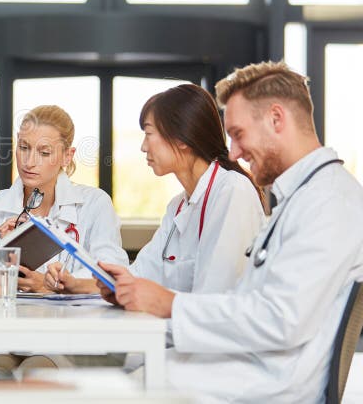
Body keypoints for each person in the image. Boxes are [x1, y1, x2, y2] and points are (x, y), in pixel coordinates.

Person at [100, 62, 363, 402]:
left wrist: (171, 305)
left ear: (276, 119)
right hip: (248, 368)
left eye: (238, 134)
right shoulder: (306, 197)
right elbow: (250, 303)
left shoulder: (331, 201)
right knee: (122, 375)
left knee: (114, 387)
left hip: (268, 385)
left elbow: (279, 319)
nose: (234, 152)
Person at [47, 84, 264, 299]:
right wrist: (77, 285)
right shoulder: (178, 206)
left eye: (149, 133)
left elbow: (216, 295)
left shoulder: (232, 191)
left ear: (181, 139)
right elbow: (140, 273)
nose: (143, 146)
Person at [0, 105, 127, 293]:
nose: (29, 161)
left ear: (67, 156)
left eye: (44, 152)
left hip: (76, 321)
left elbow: (112, 274)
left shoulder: (95, 204)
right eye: (23, 148)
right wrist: (5, 253)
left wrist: (51, 286)